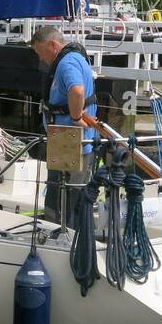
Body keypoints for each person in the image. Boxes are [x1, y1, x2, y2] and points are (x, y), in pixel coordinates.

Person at [30, 25, 99, 224]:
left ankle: (60, 232)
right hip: (71, 140)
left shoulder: (67, 63)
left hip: (68, 139)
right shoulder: (75, 59)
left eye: (40, 52)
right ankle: (70, 229)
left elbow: (77, 91)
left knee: (61, 193)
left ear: (52, 45)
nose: (41, 59)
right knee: (71, 191)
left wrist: (76, 118)